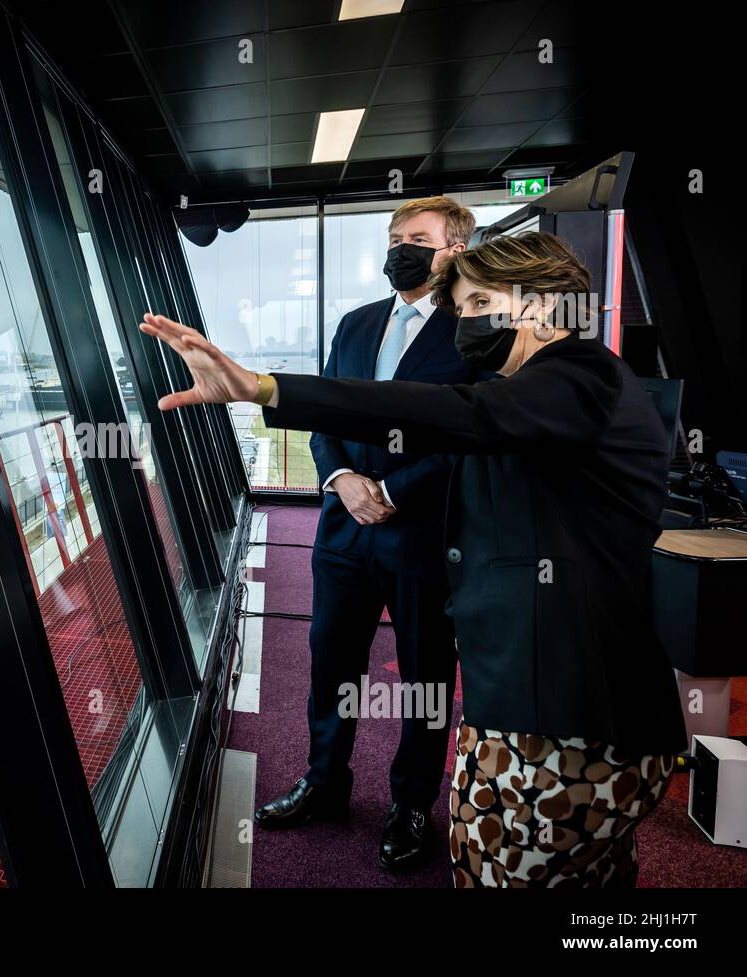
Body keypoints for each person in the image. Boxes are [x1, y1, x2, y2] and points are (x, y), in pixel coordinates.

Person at [140, 231, 686, 887]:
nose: (463, 324)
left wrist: (264, 388)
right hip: (536, 702)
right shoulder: (549, 388)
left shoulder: (581, 378)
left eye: (478, 303)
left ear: (538, 307)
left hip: (566, 719)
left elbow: (455, 416)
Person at [253, 196, 479, 873]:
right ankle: (324, 782)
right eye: (393, 236)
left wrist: (393, 491)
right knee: (330, 661)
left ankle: (412, 804)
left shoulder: (473, 333)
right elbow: (326, 416)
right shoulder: (355, 325)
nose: (399, 247)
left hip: (419, 535)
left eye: (417, 237)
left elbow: (471, 437)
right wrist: (342, 478)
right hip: (343, 531)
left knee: (424, 677)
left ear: (454, 252)